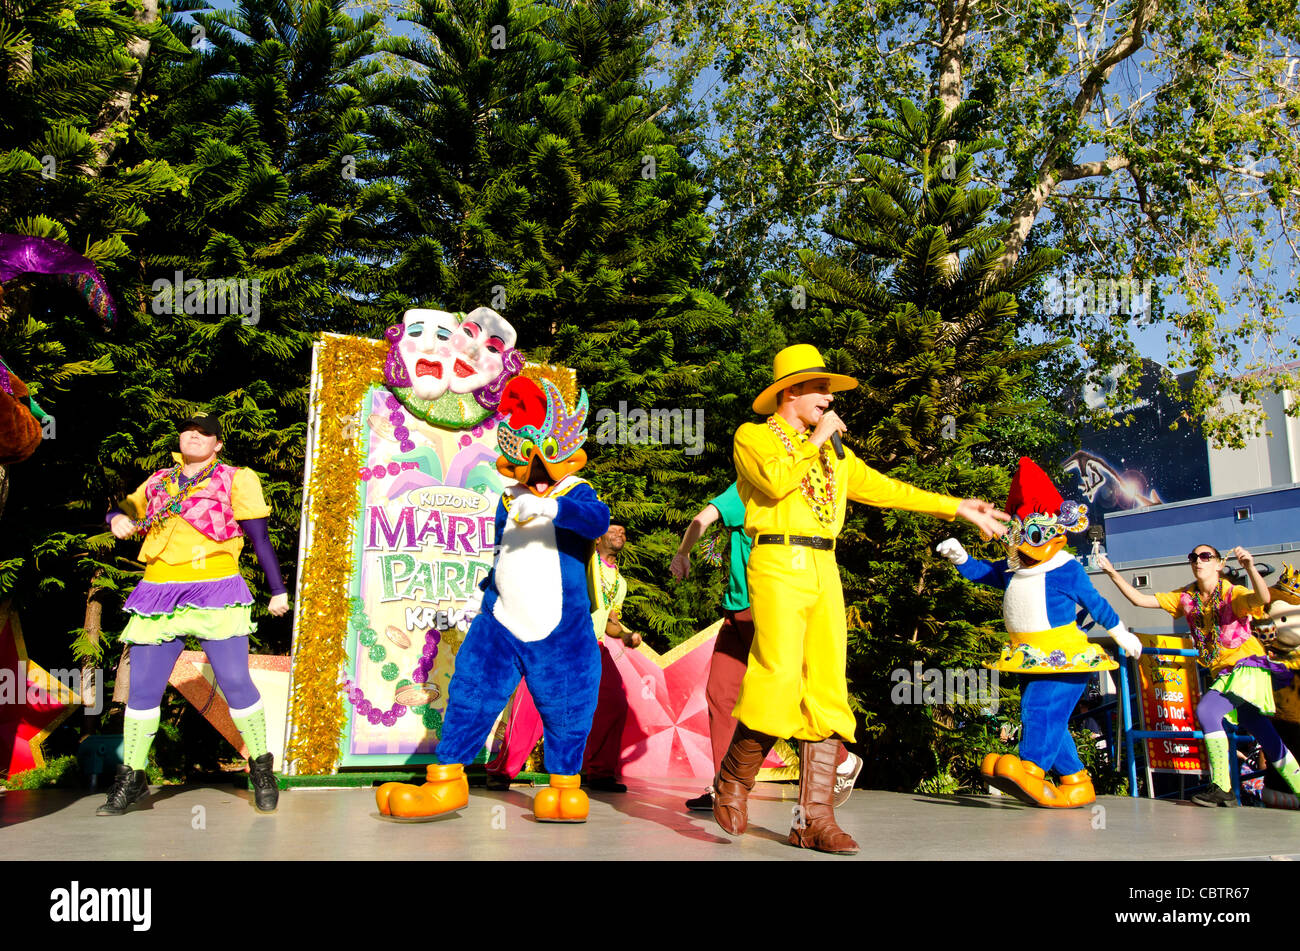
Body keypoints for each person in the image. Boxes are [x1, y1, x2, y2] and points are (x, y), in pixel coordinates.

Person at [718, 344, 1009, 853]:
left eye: (829, 392)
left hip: (823, 566)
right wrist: (819, 441)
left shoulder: (833, 452)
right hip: (777, 561)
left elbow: (885, 488)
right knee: (779, 674)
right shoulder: (753, 437)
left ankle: (814, 819)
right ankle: (734, 780)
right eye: (821, 390)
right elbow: (777, 481)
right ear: (791, 391)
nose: (829, 400)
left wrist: (956, 507)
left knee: (828, 689)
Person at [102, 413, 289, 815]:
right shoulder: (158, 481)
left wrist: (277, 589)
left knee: (236, 681)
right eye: (189, 429)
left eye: (205, 432)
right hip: (157, 593)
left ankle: (261, 769)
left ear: (218, 443)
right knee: (143, 692)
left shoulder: (238, 479)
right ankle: (131, 777)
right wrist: (117, 517)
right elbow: (123, 510)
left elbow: (258, 537)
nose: (195, 435)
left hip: (215, 589)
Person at [671, 483, 861, 812]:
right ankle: (724, 785)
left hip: (767, 610)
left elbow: (703, 519)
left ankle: (841, 761)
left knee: (788, 695)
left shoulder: (780, 490)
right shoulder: (744, 488)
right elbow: (702, 519)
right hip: (738, 612)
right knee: (721, 693)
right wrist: (683, 552)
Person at [1099, 544, 1300, 806]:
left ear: (1218, 564)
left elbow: (1262, 599)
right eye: (1193, 557)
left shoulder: (1232, 593)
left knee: (1207, 711)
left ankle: (1222, 787)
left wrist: (1250, 567)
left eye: (1206, 556)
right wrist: (1112, 572)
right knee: (1265, 734)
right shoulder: (1186, 597)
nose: (1198, 561)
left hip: (1246, 667)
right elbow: (1140, 600)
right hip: (1222, 671)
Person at [483, 523, 639, 792]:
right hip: (558, 642)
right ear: (598, 538)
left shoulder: (620, 583)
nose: (620, 535)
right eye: (613, 530)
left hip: (593, 646)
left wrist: (624, 636)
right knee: (533, 705)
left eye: (624, 532)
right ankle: (503, 770)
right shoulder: (582, 564)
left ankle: (600, 773)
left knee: (614, 702)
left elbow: (609, 620)